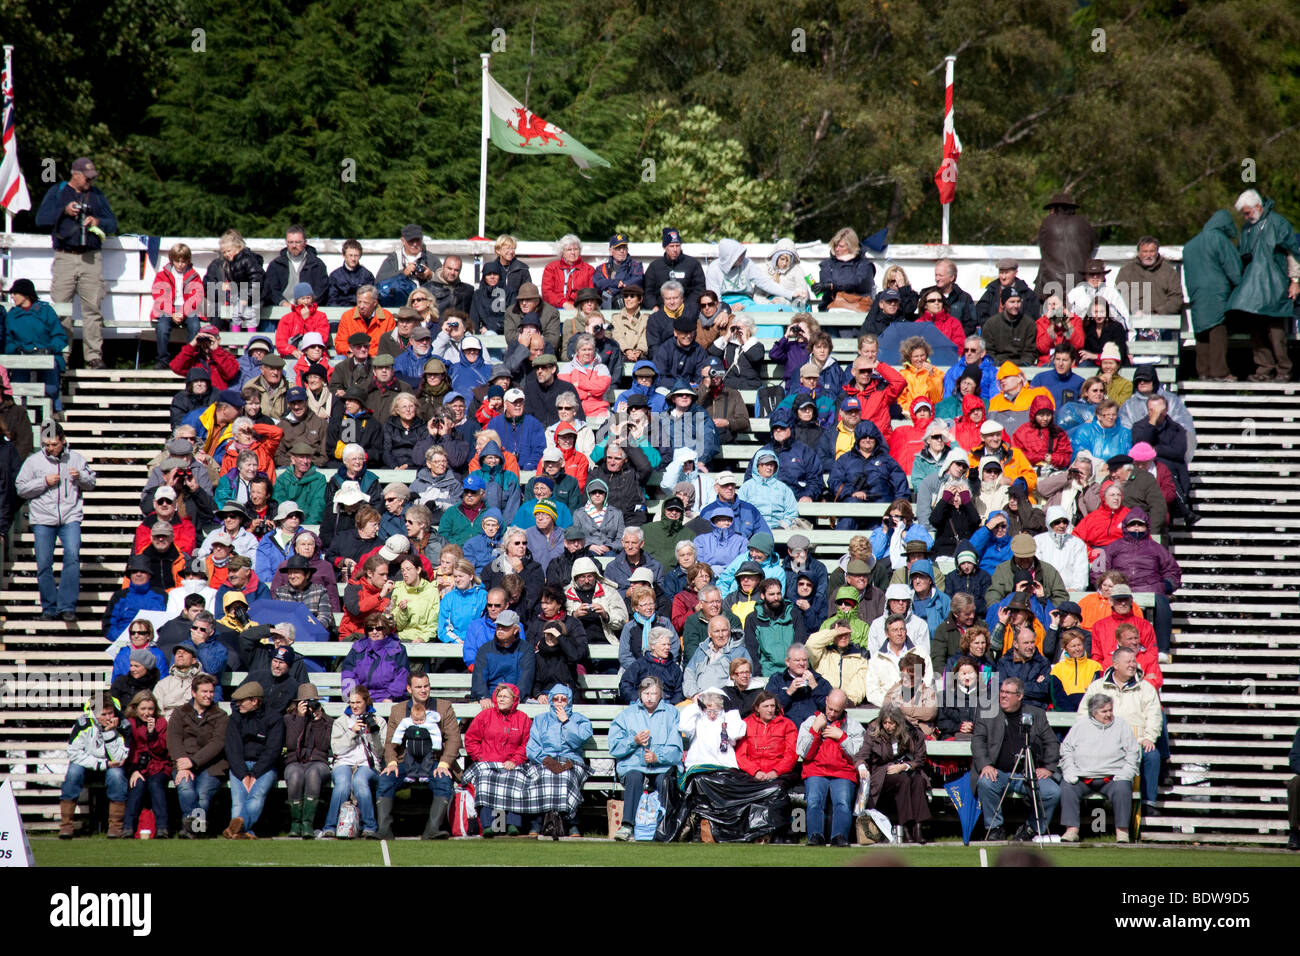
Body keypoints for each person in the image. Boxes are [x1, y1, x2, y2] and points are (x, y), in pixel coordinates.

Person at [33, 157, 117, 368]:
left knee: (93, 309)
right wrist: (64, 211)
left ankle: (93, 357)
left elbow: (113, 222)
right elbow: (40, 219)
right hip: (65, 256)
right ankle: (63, 356)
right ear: (75, 174)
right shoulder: (58, 192)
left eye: (92, 178)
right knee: (61, 309)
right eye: (87, 178)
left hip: (91, 257)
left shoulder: (97, 195)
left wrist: (97, 222)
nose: (90, 182)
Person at [16, 424, 97, 620]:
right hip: (43, 518)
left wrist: (81, 478)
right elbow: (21, 488)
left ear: (63, 440)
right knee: (44, 563)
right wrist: (44, 481)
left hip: (70, 517)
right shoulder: (33, 461)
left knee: (72, 557)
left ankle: (67, 606)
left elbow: (92, 483)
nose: (50, 448)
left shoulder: (76, 458)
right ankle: (49, 608)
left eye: (54, 444)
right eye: (46, 444)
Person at [971, 677, 1061, 841]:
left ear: (1019, 696)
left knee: (1052, 792)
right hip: (998, 772)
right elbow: (978, 742)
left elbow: (1052, 742)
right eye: (1002, 692)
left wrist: (1048, 768)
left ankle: (1031, 828)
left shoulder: (1036, 714)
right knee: (985, 783)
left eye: (1008, 693)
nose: (1003, 696)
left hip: (1028, 773)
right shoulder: (987, 712)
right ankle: (995, 828)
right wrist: (985, 765)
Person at [378, 671, 461, 839]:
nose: (423, 690)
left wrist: (444, 763)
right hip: (404, 762)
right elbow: (390, 742)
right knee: (385, 779)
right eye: (418, 687)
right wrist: (392, 762)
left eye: (426, 686)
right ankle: (384, 830)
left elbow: (454, 739)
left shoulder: (444, 707)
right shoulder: (398, 710)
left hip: (435, 761)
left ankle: (432, 830)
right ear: (409, 689)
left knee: (443, 780)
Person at [1078, 646, 1163, 811]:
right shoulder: (1098, 687)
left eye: (1134, 661)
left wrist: (1149, 737)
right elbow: (1083, 714)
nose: (1132, 665)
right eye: (1128, 661)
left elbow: (1154, 716)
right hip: (1103, 740)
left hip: (1136, 740)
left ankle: (1148, 803)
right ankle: (1099, 804)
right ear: (1115, 664)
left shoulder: (1146, 688)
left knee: (1152, 755)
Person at [1227, 189, 1299, 381]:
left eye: (1247, 212)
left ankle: (1284, 369)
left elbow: (1292, 252)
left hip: (1275, 284)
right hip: (1251, 288)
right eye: (1243, 213)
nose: (1246, 216)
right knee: (1256, 331)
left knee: (1276, 331)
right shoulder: (1247, 229)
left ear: (1258, 207)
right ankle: (1263, 369)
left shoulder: (1278, 223)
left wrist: (1295, 281)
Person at [1058, 693, 1141, 843]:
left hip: (1113, 777)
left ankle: (1122, 832)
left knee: (1123, 788)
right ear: (1093, 712)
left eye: (1110, 710)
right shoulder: (1080, 725)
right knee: (1067, 786)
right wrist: (1070, 770)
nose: (1109, 714)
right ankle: (1071, 830)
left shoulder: (1121, 724)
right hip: (1082, 777)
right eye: (1104, 711)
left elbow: (1133, 752)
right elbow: (1066, 749)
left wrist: (1125, 773)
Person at [610, 676, 683, 841]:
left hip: (662, 766)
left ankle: (665, 825)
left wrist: (658, 757)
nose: (649, 697)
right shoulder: (627, 715)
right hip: (633, 763)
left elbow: (676, 749)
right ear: (640, 694)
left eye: (654, 693)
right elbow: (614, 746)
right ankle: (627, 825)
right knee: (634, 776)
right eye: (646, 693)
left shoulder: (671, 714)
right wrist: (633, 741)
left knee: (665, 780)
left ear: (660, 695)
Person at [522, 684, 593, 836]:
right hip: (545, 760)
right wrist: (549, 762)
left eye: (563, 699)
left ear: (569, 701)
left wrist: (567, 722)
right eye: (556, 699)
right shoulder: (540, 720)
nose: (559, 702)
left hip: (571, 760)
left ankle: (571, 823)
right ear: (551, 701)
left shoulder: (580, 720)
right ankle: (537, 823)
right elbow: (532, 747)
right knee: (544, 776)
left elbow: (579, 741)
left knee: (566, 777)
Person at [855, 702, 931, 844]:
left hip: (908, 770)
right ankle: (906, 827)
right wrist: (861, 767)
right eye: (885, 722)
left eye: (892, 723)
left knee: (919, 781)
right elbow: (862, 755)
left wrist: (904, 767)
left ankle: (918, 827)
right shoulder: (873, 732)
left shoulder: (913, 732)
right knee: (903, 781)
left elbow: (920, 759)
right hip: (884, 774)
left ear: (899, 723)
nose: (888, 726)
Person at [796, 689, 865, 845]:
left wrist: (842, 737)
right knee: (814, 801)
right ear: (826, 700)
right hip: (816, 770)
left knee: (843, 802)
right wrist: (814, 730)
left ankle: (840, 837)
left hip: (842, 772)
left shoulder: (853, 726)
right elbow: (802, 752)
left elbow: (857, 754)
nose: (832, 714)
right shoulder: (810, 721)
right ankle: (815, 836)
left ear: (844, 707)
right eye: (830, 709)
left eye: (837, 711)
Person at [58, 695, 129, 838]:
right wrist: (101, 764)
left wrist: (109, 732)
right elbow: (73, 752)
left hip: (111, 765)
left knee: (117, 775)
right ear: (94, 713)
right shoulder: (83, 723)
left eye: (110, 713)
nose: (108, 717)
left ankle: (115, 826)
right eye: (103, 714)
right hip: (88, 763)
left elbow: (119, 758)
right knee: (73, 772)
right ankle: (66, 825)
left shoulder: (123, 724)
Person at [1183, 210, 1241, 381]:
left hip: (1196, 293)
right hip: (1217, 292)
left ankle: (1203, 371)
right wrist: (1240, 285)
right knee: (1218, 330)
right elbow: (1233, 268)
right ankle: (1220, 372)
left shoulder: (1190, 245)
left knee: (1201, 331)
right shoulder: (1219, 239)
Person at [321, 686, 385, 839]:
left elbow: (380, 752)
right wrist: (352, 732)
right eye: (351, 703)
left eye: (358, 702)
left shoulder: (379, 721)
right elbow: (336, 749)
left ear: (366, 702)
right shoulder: (341, 722)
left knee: (360, 781)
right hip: (344, 762)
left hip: (367, 764)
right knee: (342, 784)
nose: (355, 706)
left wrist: (372, 733)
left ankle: (369, 826)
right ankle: (330, 826)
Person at [222, 680, 284, 838]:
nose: (238, 704)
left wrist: (255, 774)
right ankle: (245, 832)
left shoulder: (274, 718)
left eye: (242, 701)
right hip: (239, 766)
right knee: (238, 800)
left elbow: (273, 750)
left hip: (264, 766)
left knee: (256, 796)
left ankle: (234, 830)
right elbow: (232, 749)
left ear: (255, 701)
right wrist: (243, 774)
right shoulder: (235, 718)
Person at [168, 674, 228, 838]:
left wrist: (192, 762)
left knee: (202, 795)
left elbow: (217, 744)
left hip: (211, 765)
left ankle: (189, 829)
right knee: (186, 789)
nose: (208, 695)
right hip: (183, 762)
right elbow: (174, 739)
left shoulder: (221, 716)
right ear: (194, 693)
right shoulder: (180, 713)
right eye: (204, 691)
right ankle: (196, 830)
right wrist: (182, 762)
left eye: (211, 692)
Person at [282, 682, 331, 837]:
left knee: (313, 774)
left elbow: (323, 746)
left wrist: (317, 721)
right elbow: (290, 744)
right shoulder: (289, 719)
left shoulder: (327, 721)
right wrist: (301, 718)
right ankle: (295, 823)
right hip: (295, 762)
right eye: (306, 702)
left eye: (313, 702)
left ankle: (308, 823)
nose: (310, 706)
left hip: (318, 762)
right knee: (295, 775)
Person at [1034, 191, 1098, 302]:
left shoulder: (1047, 223)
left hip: (1051, 283)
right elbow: (1094, 243)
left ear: (1054, 208)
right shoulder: (1083, 223)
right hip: (1079, 282)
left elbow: (1042, 246)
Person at [341, 612, 410, 704]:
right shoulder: (358, 649)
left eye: (379, 628)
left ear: (386, 630)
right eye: (370, 629)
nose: (374, 632)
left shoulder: (397, 649)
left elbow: (402, 676)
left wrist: (391, 697)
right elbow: (348, 675)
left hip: (389, 699)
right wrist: (356, 697)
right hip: (362, 699)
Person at [814, 227, 875, 312]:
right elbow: (825, 283)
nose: (837, 249)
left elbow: (858, 282)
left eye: (841, 246)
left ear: (851, 247)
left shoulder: (864, 265)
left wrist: (833, 286)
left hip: (859, 307)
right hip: (831, 307)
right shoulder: (828, 264)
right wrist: (829, 286)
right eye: (835, 245)